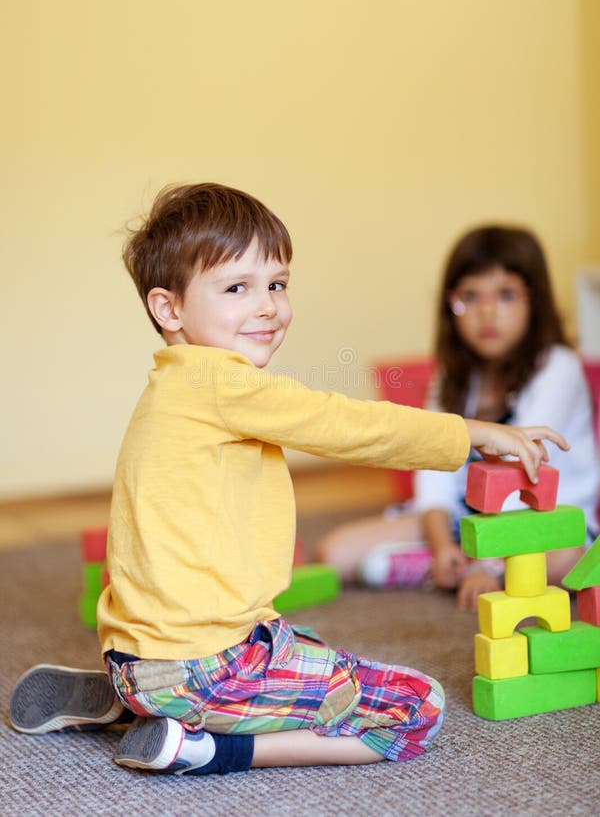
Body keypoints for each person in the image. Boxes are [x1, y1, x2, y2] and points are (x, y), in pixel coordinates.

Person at [10, 188, 568, 777]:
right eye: (237, 288)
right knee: (417, 707)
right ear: (169, 310)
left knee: (307, 649)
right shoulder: (221, 384)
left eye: (276, 285)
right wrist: (474, 433)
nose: (268, 307)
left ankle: (135, 696)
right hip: (204, 666)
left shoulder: (170, 389)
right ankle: (210, 746)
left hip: (141, 651)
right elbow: (352, 425)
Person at [316, 226, 599, 612]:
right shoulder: (452, 377)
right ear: (450, 306)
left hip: (543, 524)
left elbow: (523, 480)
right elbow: (432, 476)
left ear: (535, 302)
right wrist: (441, 544)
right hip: (464, 521)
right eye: (469, 296)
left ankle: (463, 570)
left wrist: (489, 565)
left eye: (505, 295)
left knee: (570, 559)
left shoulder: (557, 369)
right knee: (334, 552)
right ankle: (448, 564)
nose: (487, 312)